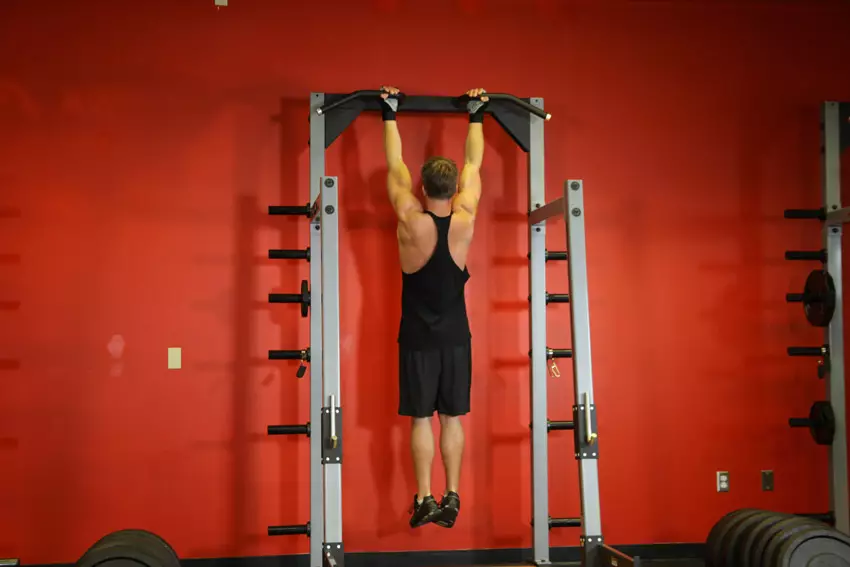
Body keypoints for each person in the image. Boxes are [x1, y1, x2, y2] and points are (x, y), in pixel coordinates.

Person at [378, 85, 487, 528]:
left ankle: (424, 497)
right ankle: (453, 494)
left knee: (421, 419)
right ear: (455, 186)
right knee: (453, 418)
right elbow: (475, 164)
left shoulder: (409, 220)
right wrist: (476, 114)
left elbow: (394, 167)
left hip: (418, 339)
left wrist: (389, 111)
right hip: (456, 339)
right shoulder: (465, 218)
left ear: (423, 185)